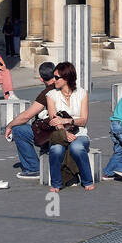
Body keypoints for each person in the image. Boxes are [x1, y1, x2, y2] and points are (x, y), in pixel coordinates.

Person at [4, 62, 57, 179]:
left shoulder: (48, 92)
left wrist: (9, 126)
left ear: (41, 79)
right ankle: (45, 151)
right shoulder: (64, 86)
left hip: (53, 133)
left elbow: (27, 116)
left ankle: (32, 169)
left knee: (19, 130)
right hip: (71, 129)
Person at [45, 62, 93, 192]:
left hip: (80, 134)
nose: (53, 80)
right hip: (60, 134)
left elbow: (83, 120)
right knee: (56, 150)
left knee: (77, 147)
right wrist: (65, 134)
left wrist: (66, 120)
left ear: (66, 78)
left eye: (56, 77)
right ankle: (56, 183)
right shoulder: (51, 95)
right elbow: (54, 121)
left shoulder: (82, 93)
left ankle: (87, 180)